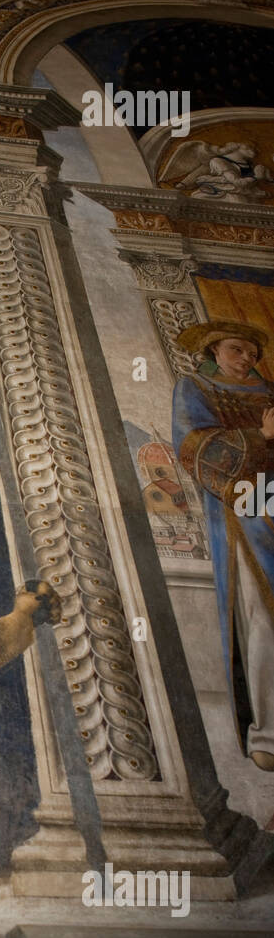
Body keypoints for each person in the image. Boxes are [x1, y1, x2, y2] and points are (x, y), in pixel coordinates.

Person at [173, 319, 274, 771]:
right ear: (215, 351)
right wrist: (262, 438)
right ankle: (269, 734)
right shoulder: (195, 388)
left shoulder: (270, 392)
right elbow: (194, 448)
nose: (246, 359)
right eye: (237, 350)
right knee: (261, 620)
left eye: (252, 353)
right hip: (245, 513)